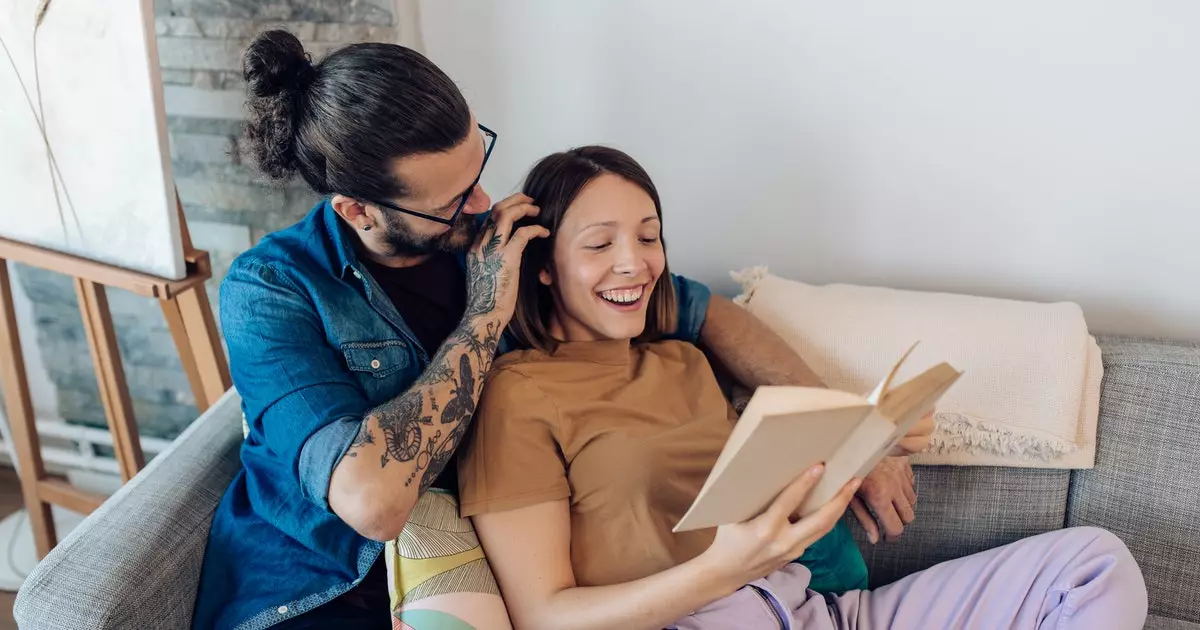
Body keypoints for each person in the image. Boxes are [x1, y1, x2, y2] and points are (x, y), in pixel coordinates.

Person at [193, 30, 922, 629]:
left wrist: (847, 422)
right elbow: (375, 504)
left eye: (479, 167)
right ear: (359, 211)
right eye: (452, 201)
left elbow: (701, 310)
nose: (482, 202)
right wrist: (485, 314)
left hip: (493, 564)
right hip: (318, 592)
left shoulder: (500, 235)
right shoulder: (273, 291)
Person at [457, 146, 1149, 630]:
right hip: (693, 620)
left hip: (813, 612)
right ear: (543, 266)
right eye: (600, 244)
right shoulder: (517, 395)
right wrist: (720, 571)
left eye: (648, 235)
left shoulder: (684, 361)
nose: (634, 262)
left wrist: (859, 445)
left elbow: (763, 507)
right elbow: (544, 615)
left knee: (1092, 565)